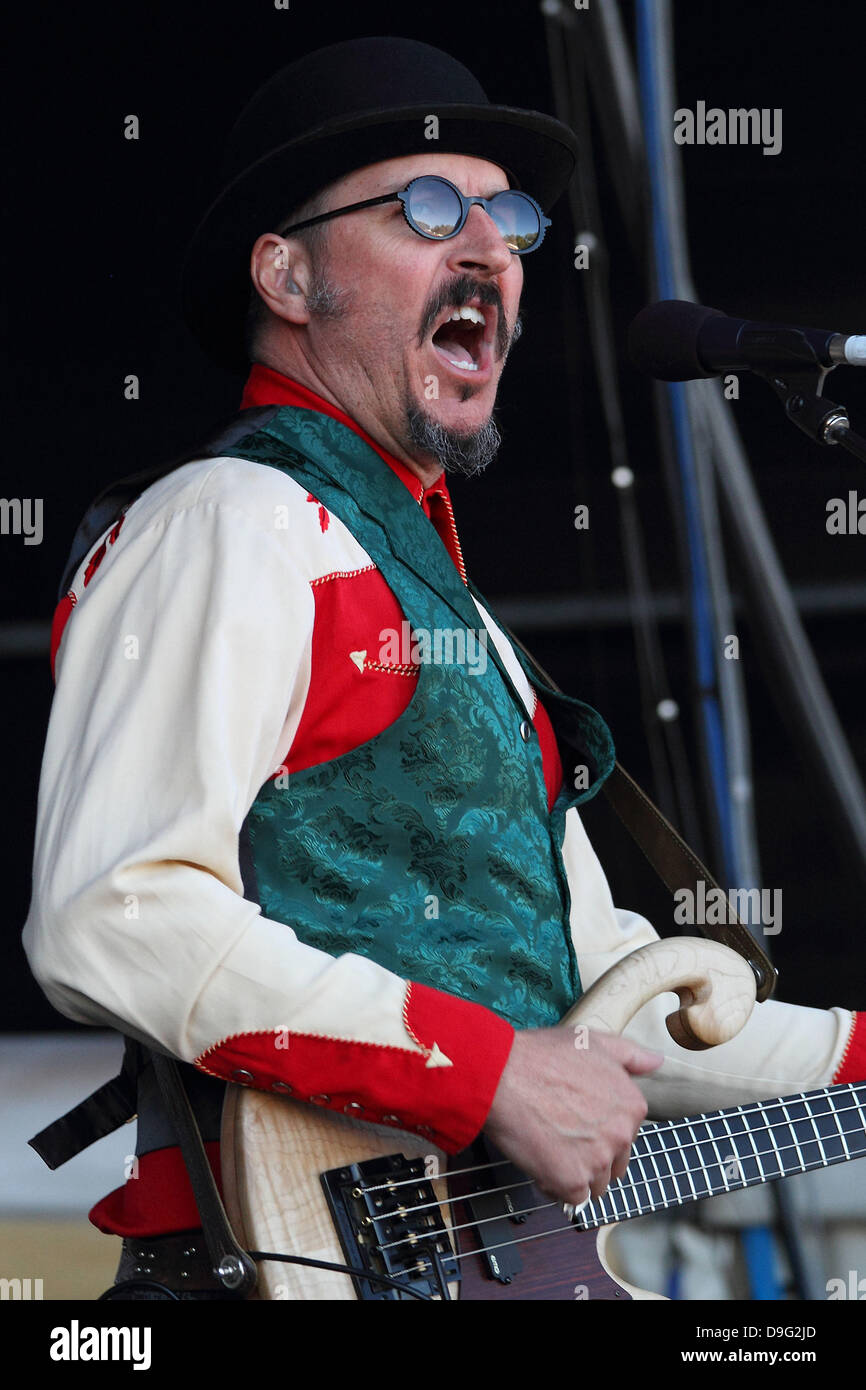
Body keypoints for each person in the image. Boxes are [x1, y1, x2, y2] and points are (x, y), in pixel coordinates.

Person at [23, 36, 864, 1299]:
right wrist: (487, 1074)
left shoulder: (446, 607)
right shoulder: (230, 518)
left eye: (509, 220)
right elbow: (111, 914)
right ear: (287, 274)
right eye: (425, 207)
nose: (486, 249)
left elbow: (603, 1006)